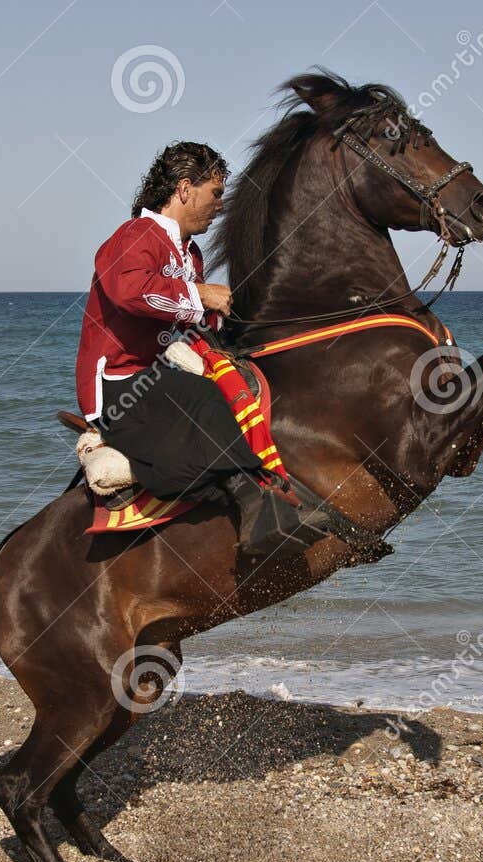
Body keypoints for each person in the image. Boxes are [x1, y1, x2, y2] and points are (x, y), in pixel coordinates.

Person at [74, 141, 308, 558]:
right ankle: (255, 501)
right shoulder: (135, 236)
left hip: (163, 377)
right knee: (203, 398)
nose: (220, 205)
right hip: (120, 387)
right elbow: (129, 292)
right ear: (184, 188)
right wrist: (200, 295)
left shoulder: (190, 254)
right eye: (215, 193)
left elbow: (189, 321)